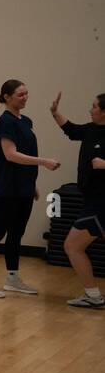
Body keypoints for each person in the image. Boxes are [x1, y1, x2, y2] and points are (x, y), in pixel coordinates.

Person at [0, 79, 60, 299]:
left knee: (16, 233)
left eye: (26, 94)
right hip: (7, 188)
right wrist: (44, 162)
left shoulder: (26, 121)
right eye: (20, 95)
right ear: (7, 97)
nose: (25, 98)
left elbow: (24, 154)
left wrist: (32, 184)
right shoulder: (6, 121)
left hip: (24, 189)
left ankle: (12, 279)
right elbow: (10, 154)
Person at [51, 90, 105, 309]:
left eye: (93, 106)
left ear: (103, 111)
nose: (89, 109)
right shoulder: (91, 130)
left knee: (72, 246)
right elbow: (71, 130)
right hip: (91, 200)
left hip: (101, 204)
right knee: (74, 246)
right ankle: (93, 295)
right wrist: (55, 113)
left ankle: (93, 296)